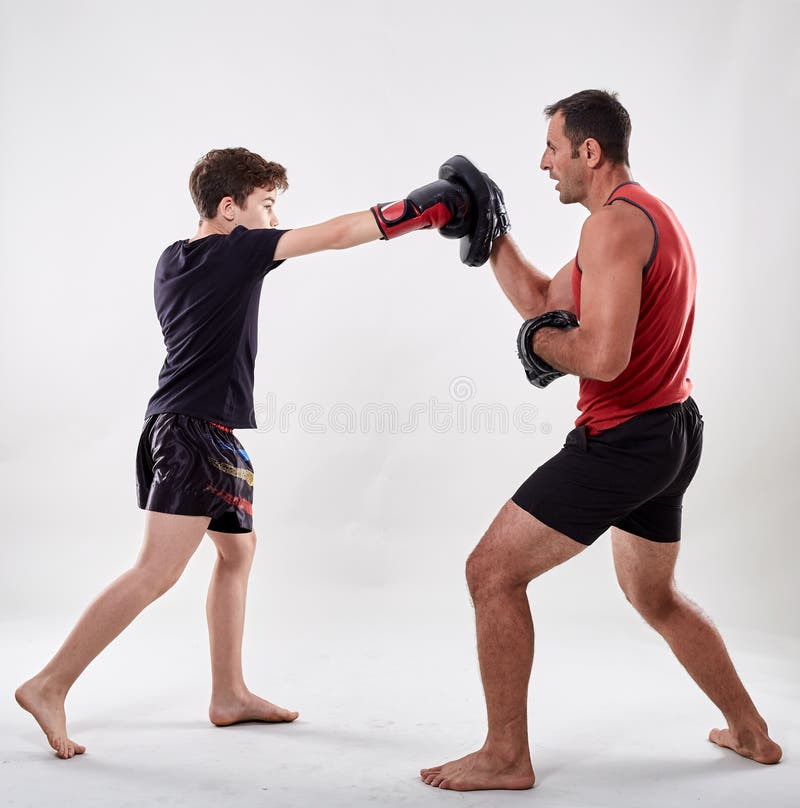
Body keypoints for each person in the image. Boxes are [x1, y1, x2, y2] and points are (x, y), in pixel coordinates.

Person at [14, 147, 474, 759]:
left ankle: (228, 694)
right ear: (229, 208)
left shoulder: (173, 258)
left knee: (237, 551)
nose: (274, 217)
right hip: (191, 432)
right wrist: (419, 210)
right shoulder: (236, 250)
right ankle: (49, 684)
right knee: (155, 571)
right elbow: (336, 234)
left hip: (196, 428)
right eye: (267, 204)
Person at [419, 90, 782, 792]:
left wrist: (539, 346)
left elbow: (602, 357)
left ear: (589, 152)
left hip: (624, 441)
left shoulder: (611, 228)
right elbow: (541, 302)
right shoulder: (643, 216)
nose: (544, 163)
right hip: (671, 430)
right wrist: (491, 232)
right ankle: (750, 731)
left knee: (491, 573)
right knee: (656, 596)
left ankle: (505, 755)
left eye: (553, 148)